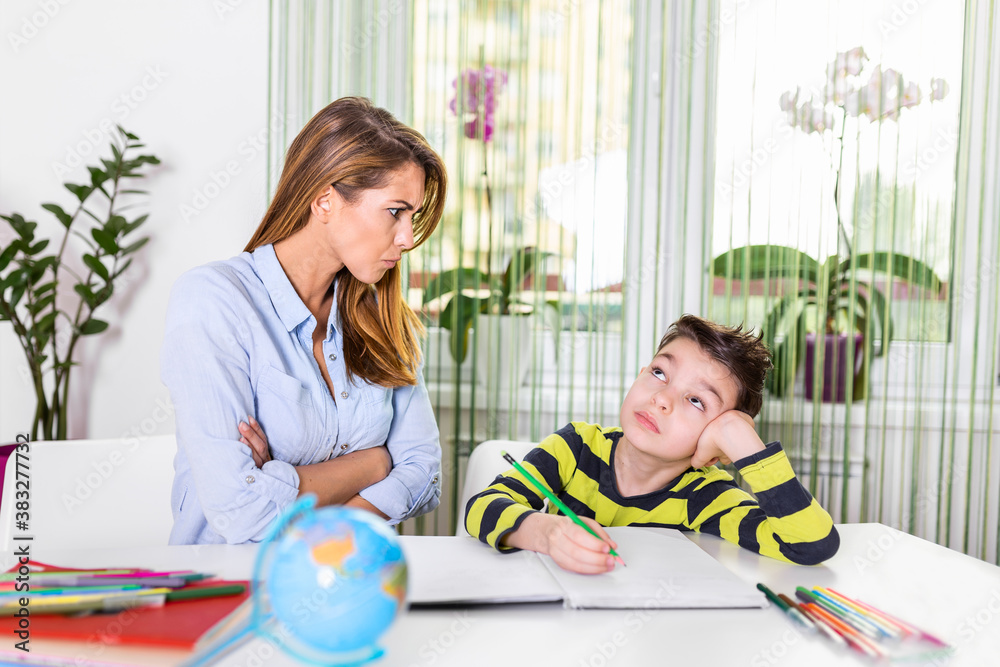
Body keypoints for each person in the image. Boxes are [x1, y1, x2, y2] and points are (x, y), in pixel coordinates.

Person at [161, 97, 447, 545]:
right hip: (227, 581)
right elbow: (241, 510)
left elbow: (424, 473)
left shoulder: (383, 318)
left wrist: (285, 483)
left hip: (341, 576)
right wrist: (373, 463)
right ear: (324, 200)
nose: (409, 238)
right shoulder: (214, 301)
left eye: (413, 216)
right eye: (395, 211)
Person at [465, 314, 840, 573]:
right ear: (641, 374)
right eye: (660, 373)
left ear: (718, 441)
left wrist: (743, 442)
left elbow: (810, 544)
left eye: (697, 401)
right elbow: (481, 507)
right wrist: (547, 534)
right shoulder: (577, 446)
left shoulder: (704, 496)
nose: (662, 398)